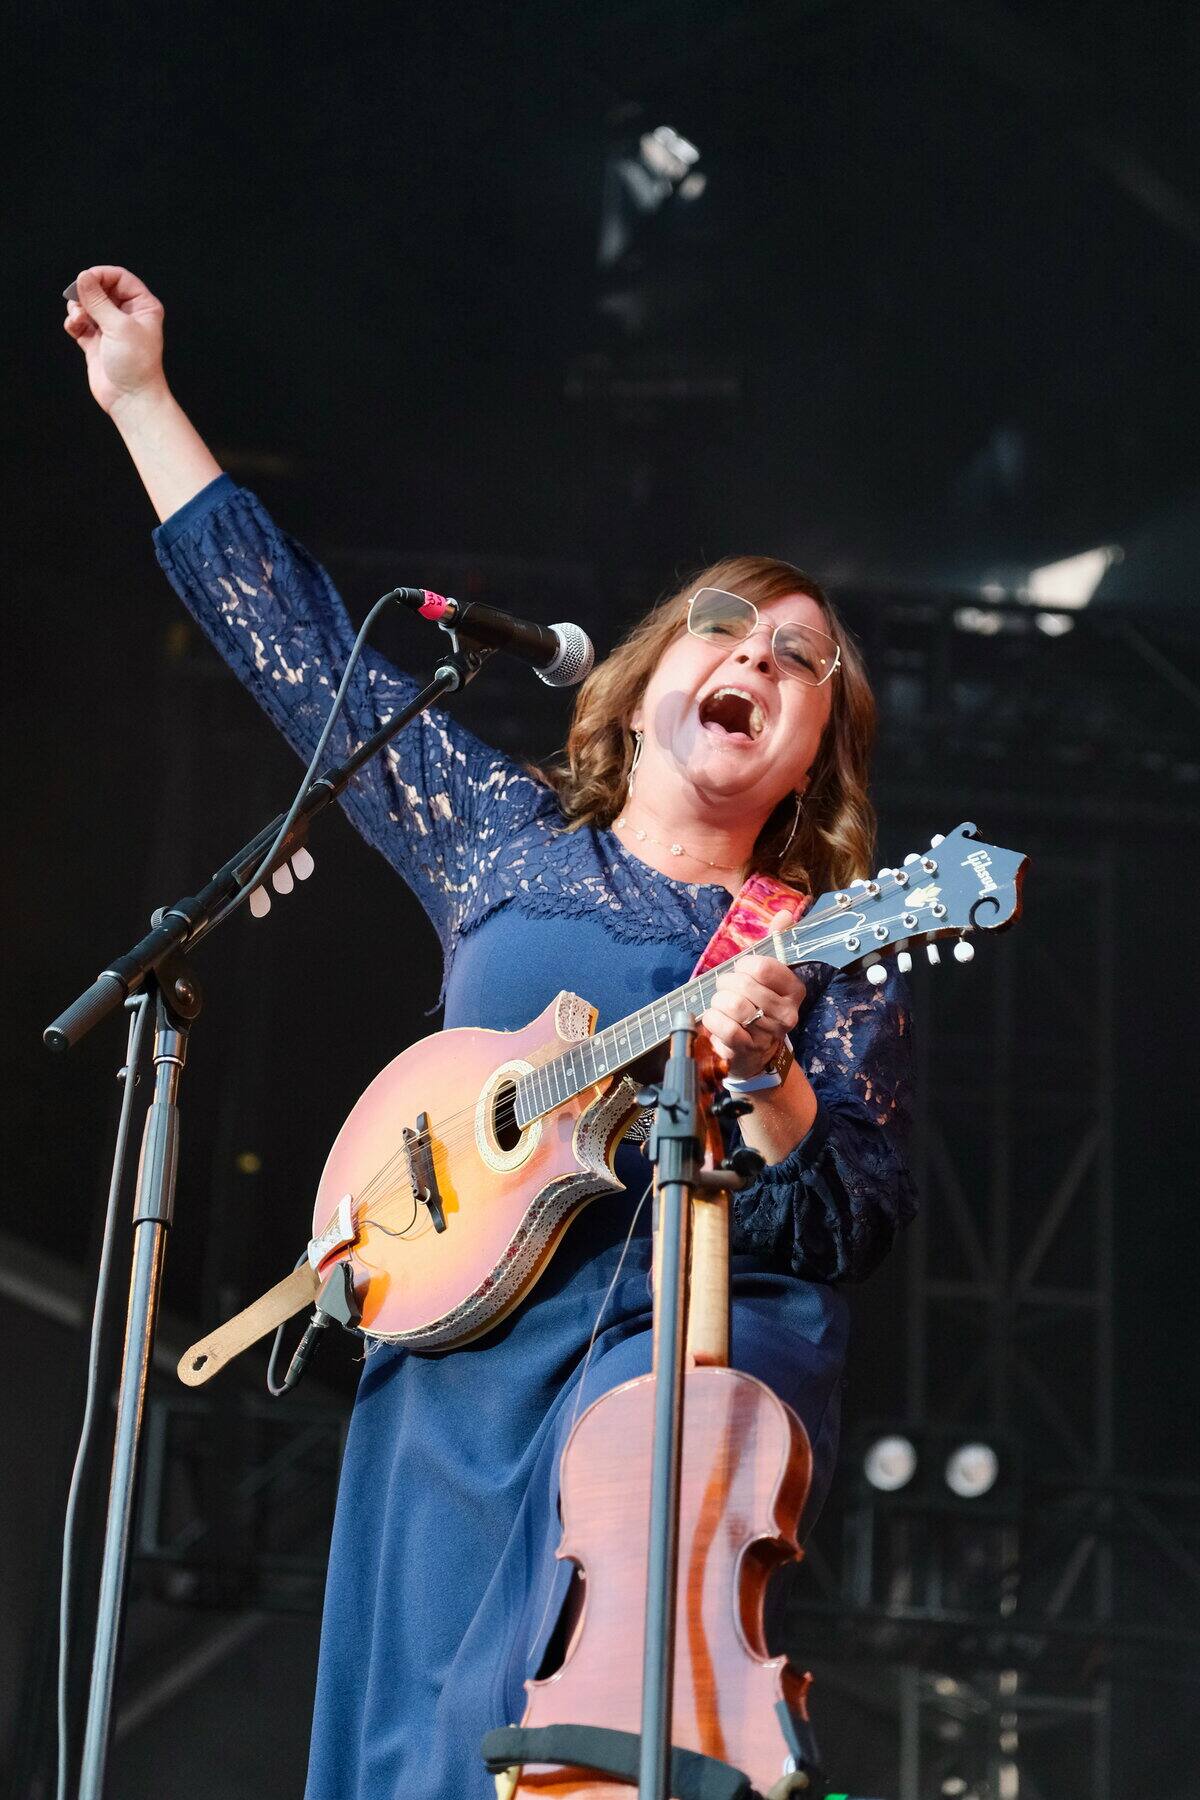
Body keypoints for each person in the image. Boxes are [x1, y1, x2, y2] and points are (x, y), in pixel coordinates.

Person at [64, 265, 917, 1800]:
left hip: (670, 1331)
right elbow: (302, 645)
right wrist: (142, 400)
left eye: (803, 665)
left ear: (811, 757)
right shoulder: (504, 839)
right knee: (415, 1750)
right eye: (729, 631)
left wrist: (771, 1070)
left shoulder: (822, 946)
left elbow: (851, 1219)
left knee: (594, 1666)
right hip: (458, 1326)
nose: (761, 662)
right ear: (652, 670)